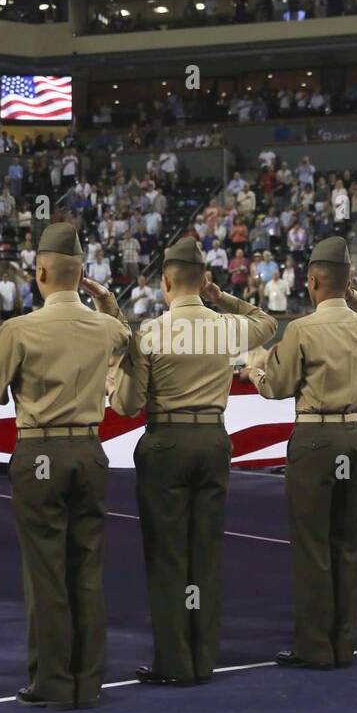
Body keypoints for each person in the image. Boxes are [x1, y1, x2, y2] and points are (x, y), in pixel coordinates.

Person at [0, 223, 130, 710]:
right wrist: (105, 302)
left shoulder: (18, 330)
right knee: (86, 567)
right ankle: (88, 679)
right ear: (82, 274)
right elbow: (123, 335)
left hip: (40, 452)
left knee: (46, 569)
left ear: (39, 272)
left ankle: (53, 680)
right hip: (89, 449)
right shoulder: (107, 328)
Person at [110, 238, 277, 686]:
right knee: (205, 553)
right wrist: (223, 299)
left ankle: (174, 661)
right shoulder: (225, 326)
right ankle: (203, 658)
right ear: (202, 282)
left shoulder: (149, 333)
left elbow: (127, 406)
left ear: (165, 282)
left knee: (167, 556)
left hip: (166, 442)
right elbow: (267, 322)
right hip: (212, 440)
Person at [242, 236, 357, 669]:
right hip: (354, 434)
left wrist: (255, 372)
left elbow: (275, 388)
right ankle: (343, 642)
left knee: (312, 546)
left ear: (311, 281)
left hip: (314, 439)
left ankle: (316, 646)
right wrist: (354, 294)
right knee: (347, 542)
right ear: (348, 281)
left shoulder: (302, 330)